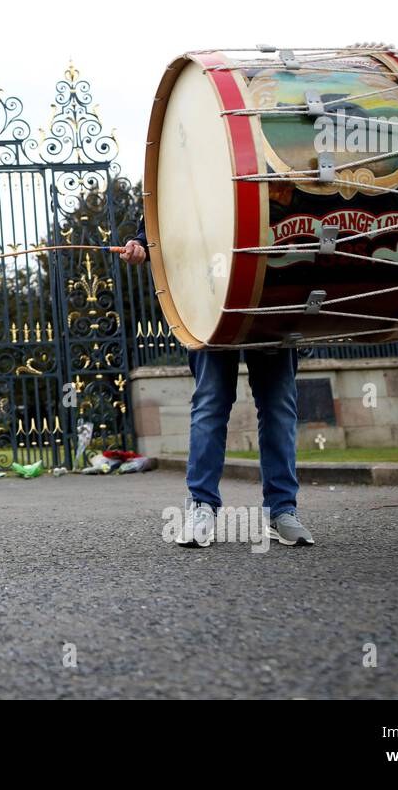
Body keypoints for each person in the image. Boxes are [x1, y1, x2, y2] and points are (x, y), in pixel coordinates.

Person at [117, 222, 315, 548]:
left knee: (278, 403)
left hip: (271, 288)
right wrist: (141, 243)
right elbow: (166, 211)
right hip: (208, 294)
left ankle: (282, 510)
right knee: (211, 400)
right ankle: (201, 506)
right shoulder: (187, 169)